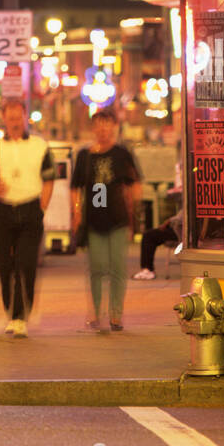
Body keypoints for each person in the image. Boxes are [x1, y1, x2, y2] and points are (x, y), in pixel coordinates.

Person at [0, 98, 55, 337]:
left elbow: (49, 178)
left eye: (19, 117)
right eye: (11, 117)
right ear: (4, 119)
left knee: (25, 264)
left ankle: (20, 316)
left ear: (25, 117)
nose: (15, 122)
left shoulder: (39, 145)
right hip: (3, 210)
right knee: (5, 266)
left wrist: (42, 207)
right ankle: (11, 309)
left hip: (31, 209)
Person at [70, 109, 142, 331]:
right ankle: (96, 312)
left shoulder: (122, 153)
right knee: (97, 267)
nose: (103, 128)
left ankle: (115, 316)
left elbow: (135, 183)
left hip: (118, 218)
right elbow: (75, 188)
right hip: (94, 219)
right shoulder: (85, 156)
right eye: (99, 124)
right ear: (93, 128)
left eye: (107, 124)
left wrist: (135, 212)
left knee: (118, 268)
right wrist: (77, 213)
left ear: (114, 127)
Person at [134, 207, 184, 279]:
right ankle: (147, 269)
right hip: (179, 229)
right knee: (150, 235)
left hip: (180, 232)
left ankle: (147, 269)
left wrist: (169, 221)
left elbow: (181, 218)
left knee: (148, 236)